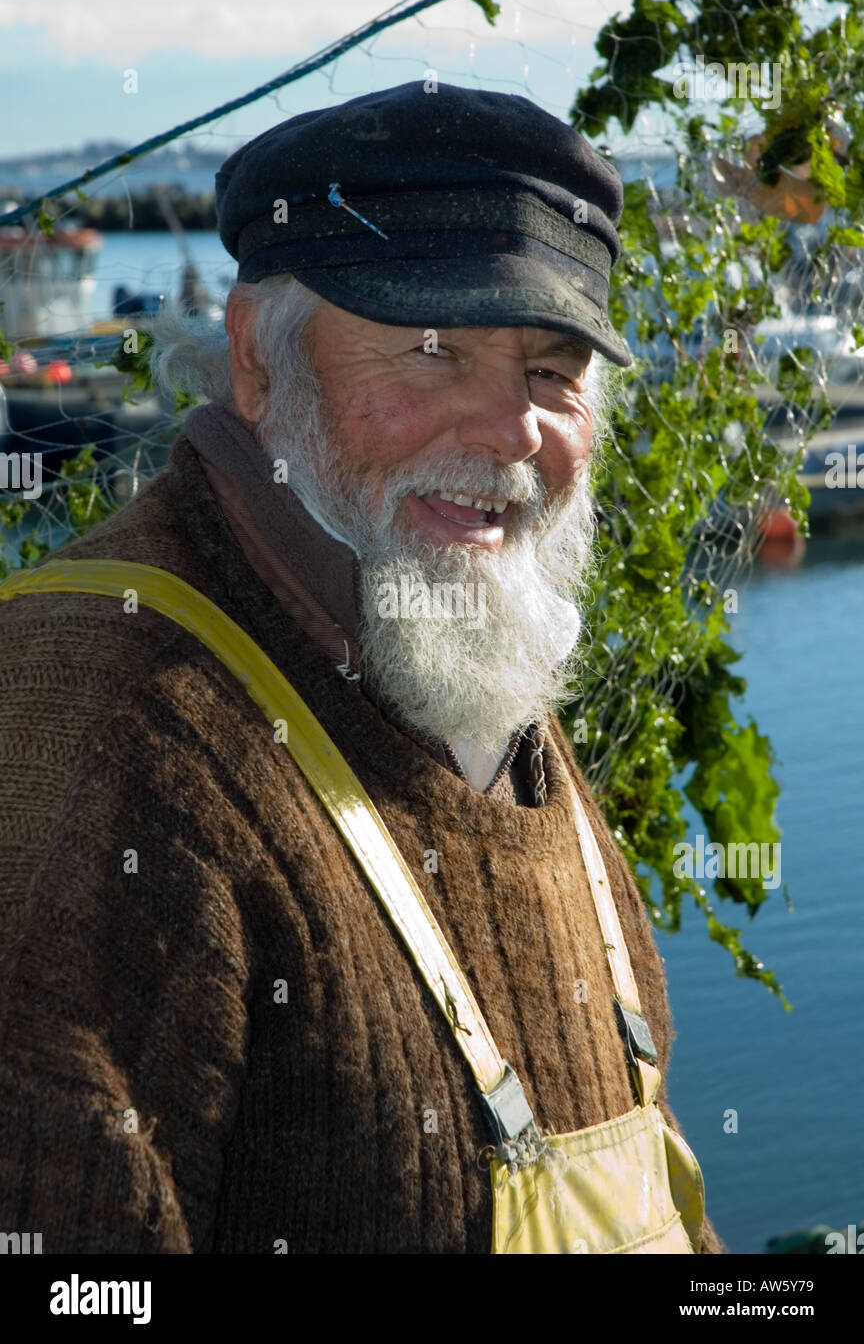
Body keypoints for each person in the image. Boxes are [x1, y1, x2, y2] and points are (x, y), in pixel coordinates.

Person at [0, 81, 723, 1254]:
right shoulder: (89, 722)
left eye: (553, 370)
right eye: (434, 352)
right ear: (256, 359)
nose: (510, 427)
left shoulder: (459, 658)